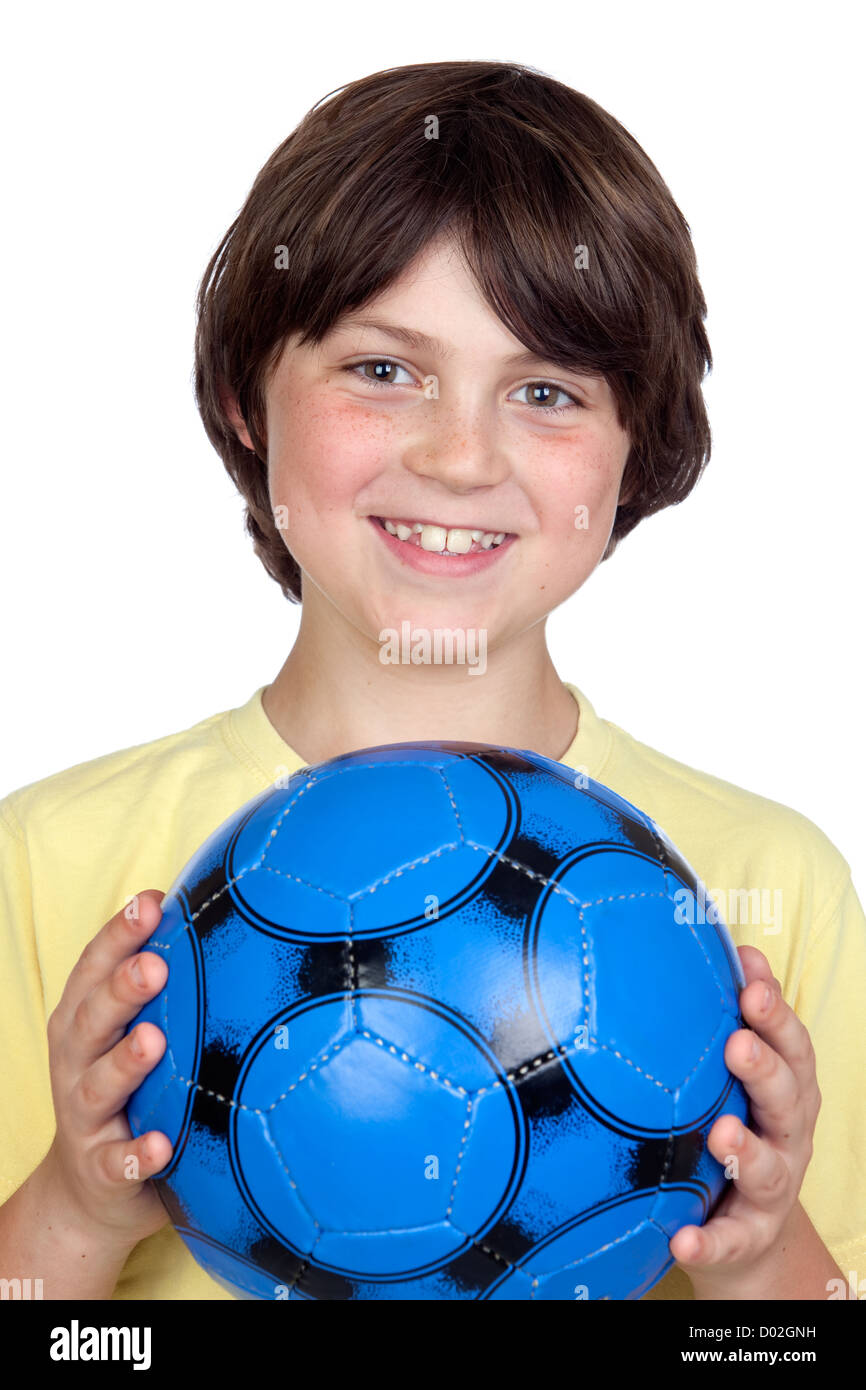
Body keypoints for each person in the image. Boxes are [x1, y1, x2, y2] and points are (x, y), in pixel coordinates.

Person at [1, 59, 863, 1302]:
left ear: (637, 453)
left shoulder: (766, 883)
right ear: (251, 401)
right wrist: (76, 1213)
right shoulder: (48, 860)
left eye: (545, 391)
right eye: (382, 369)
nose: (459, 455)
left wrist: (765, 1249)